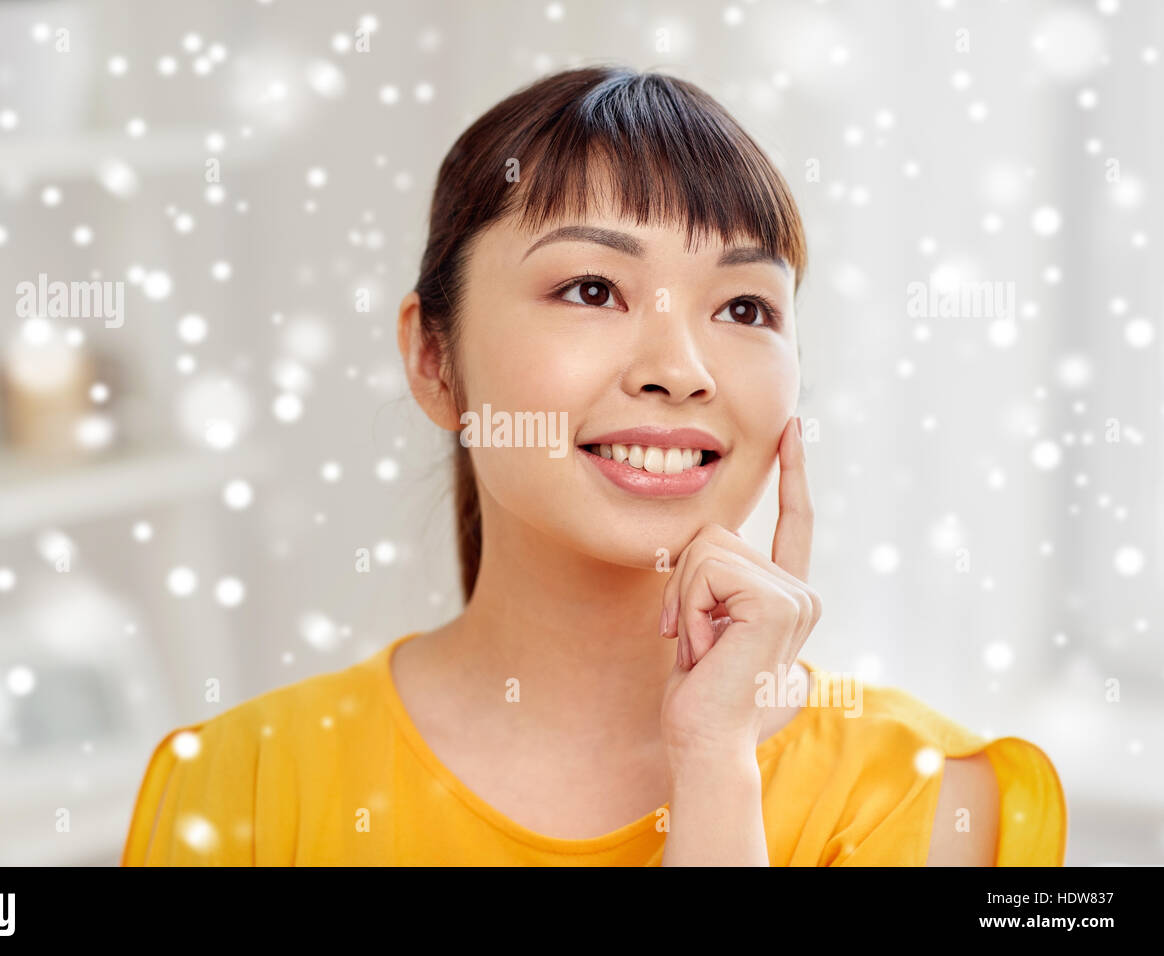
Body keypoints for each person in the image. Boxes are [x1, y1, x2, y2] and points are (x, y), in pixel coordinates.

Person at [122, 65, 1066, 866]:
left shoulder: (937, 804)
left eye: (743, 309)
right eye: (591, 288)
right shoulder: (238, 787)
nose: (679, 371)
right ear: (433, 360)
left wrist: (714, 772)